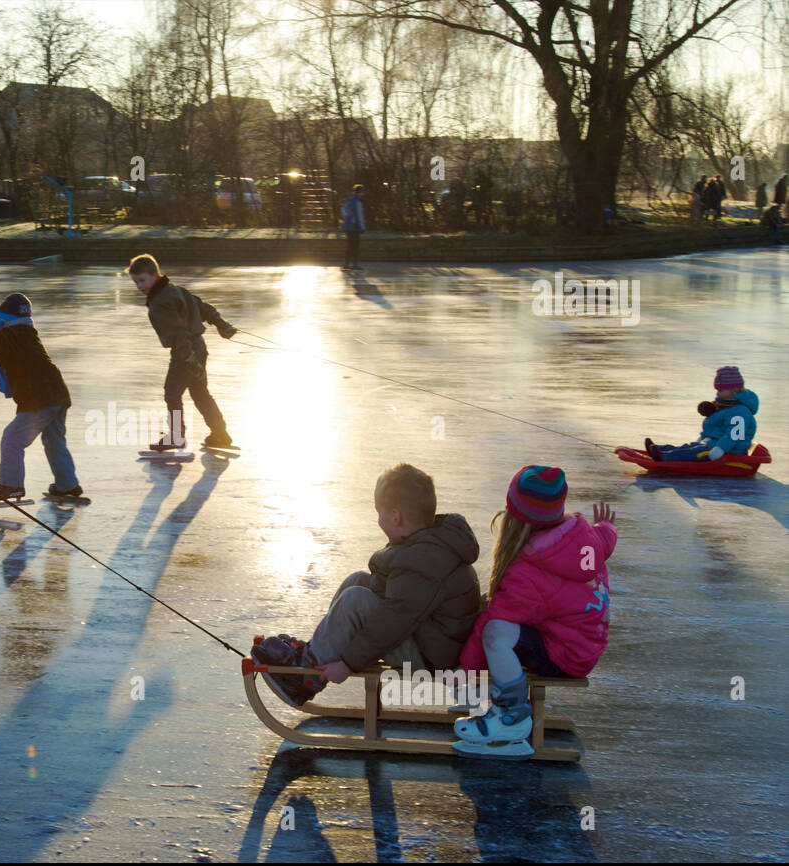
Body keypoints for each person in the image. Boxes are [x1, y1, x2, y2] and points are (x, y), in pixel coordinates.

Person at [250, 464, 482, 708]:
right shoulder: (428, 544)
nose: (377, 520)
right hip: (434, 638)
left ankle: (308, 678)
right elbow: (396, 598)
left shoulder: (421, 560)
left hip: (433, 658)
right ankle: (313, 655)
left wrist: (347, 664)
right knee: (358, 581)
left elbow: (394, 620)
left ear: (396, 517)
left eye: (379, 513)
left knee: (356, 600)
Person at [454, 467, 616, 755]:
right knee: (491, 607)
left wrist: (465, 671)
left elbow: (495, 619)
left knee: (496, 632)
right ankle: (506, 708)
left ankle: (511, 716)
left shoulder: (528, 572)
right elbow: (605, 542)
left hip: (565, 654)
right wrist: (607, 528)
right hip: (585, 643)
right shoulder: (582, 535)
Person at [0, 293, 81, 503]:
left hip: (39, 398)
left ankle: (12, 485)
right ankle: (67, 484)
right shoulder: (25, 337)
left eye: (1, 321)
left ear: (8, 321)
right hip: (57, 395)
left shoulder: (15, 334)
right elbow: (1, 366)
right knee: (54, 441)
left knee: (12, 439)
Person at [126, 254, 237, 450]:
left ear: (155, 275)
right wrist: (222, 325)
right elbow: (204, 308)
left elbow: (178, 334)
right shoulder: (176, 290)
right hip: (199, 347)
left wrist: (189, 360)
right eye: (136, 282)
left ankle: (177, 437)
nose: (140, 286)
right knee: (200, 392)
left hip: (185, 351)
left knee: (172, 393)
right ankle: (220, 434)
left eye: (142, 280)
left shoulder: (160, 302)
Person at [645, 366, 759, 462]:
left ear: (734, 390)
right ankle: (660, 449)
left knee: (695, 453)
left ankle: (664, 456)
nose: (717, 393)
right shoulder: (726, 405)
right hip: (713, 443)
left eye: (721, 390)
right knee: (690, 447)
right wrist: (703, 438)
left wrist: (720, 449)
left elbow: (734, 436)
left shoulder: (739, 412)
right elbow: (716, 427)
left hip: (731, 450)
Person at [340, 184, 366, 269]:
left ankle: (346, 264)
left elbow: (343, 210)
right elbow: (359, 215)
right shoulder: (357, 202)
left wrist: (347, 218)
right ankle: (355, 264)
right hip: (355, 227)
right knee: (356, 246)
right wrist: (362, 227)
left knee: (349, 245)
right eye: (362, 192)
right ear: (360, 192)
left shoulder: (349, 201)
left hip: (347, 226)